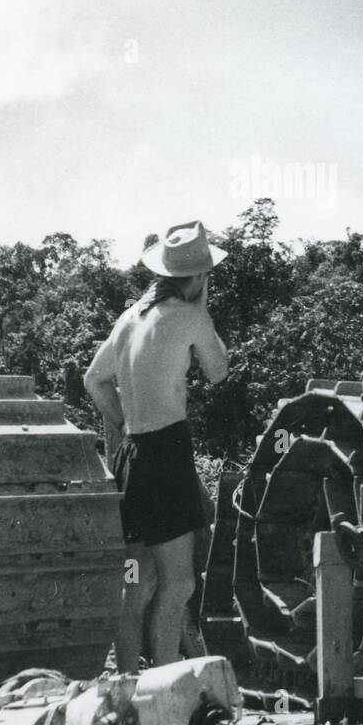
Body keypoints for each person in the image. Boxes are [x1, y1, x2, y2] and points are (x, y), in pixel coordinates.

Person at [85, 220, 228, 672]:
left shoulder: (129, 317)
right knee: (179, 583)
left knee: (137, 582)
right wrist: (202, 309)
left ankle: (129, 685)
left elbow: (94, 379)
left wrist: (125, 423)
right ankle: (167, 687)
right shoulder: (189, 315)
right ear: (200, 277)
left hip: (132, 456)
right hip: (167, 455)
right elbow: (219, 370)